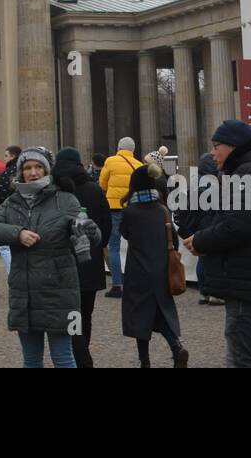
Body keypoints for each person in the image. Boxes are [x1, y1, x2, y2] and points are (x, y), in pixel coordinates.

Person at [182, 120, 251, 369]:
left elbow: (239, 225)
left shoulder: (248, 173)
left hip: (248, 278)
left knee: (242, 357)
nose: (212, 152)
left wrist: (201, 240)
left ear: (233, 146)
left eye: (216, 146)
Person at [0, 147, 96, 368]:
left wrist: (88, 229)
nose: (33, 172)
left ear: (47, 170)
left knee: (64, 358)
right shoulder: (12, 202)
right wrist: (17, 234)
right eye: (27, 168)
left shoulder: (65, 199)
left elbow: (93, 237)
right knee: (31, 360)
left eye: (38, 167)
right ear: (21, 172)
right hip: (25, 296)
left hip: (59, 293)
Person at [119, 158, 187, 367]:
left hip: (138, 272)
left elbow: (125, 233)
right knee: (162, 315)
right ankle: (176, 346)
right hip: (161, 271)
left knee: (140, 318)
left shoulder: (130, 212)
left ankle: (145, 362)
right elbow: (174, 241)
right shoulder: (163, 210)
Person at [51, 147, 110, 367]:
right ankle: (81, 349)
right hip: (90, 263)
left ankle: (80, 357)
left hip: (66, 262)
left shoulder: (57, 191)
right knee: (85, 314)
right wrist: (97, 247)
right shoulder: (95, 190)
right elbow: (106, 226)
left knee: (71, 315)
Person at [98, 137, 143, 298]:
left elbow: (102, 183)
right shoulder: (139, 165)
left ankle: (117, 285)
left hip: (114, 208)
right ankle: (136, 282)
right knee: (135, 246)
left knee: (114, 247)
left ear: (118, 147)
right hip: (133, 208)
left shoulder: (111, 161)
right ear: (133, 150)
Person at [175, 151, 221, 306]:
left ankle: (203, 293)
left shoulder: (193, 183)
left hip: (197, 227)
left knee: (202, 259)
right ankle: (215, 294)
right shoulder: (216, 183)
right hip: (212, 225)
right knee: (214, 261)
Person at [0, 145, 21, 263]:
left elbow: (1, 196)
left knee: (6, 246)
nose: (4, 159)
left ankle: (12, 276)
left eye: (6, 156)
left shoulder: (7, 172)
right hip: (23, 212)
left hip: (8, 212)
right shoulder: (23, 170)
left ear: (13, 156)